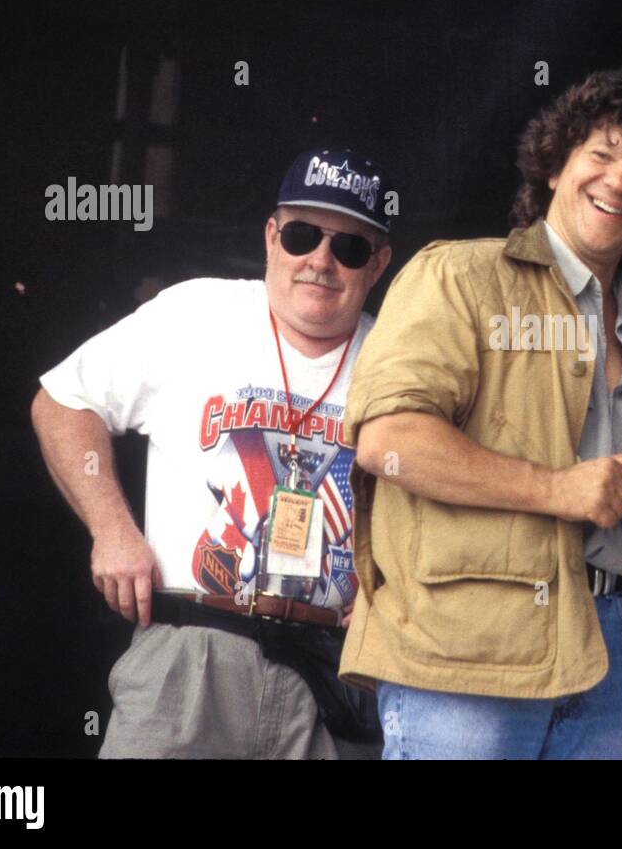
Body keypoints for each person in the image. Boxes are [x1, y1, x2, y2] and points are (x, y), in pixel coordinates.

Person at [339, 67, 622, 759]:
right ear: (553, 168)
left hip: (612, 648)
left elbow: (618, 503)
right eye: (600, 154)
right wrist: (555, 488)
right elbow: (388, 441)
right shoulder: (461, 276)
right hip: (470, 650)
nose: (618, 180)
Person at [31, 147, 394, 758]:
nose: (320, 261)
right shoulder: (199, 312)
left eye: (349, 247)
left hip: (335, 670)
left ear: (378, 263)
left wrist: (397, 588)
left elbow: (449, 485)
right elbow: (64, 402)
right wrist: (113, 531)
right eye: (303, 235)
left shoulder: (400, 355)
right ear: (272, 238)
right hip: (191, 650)